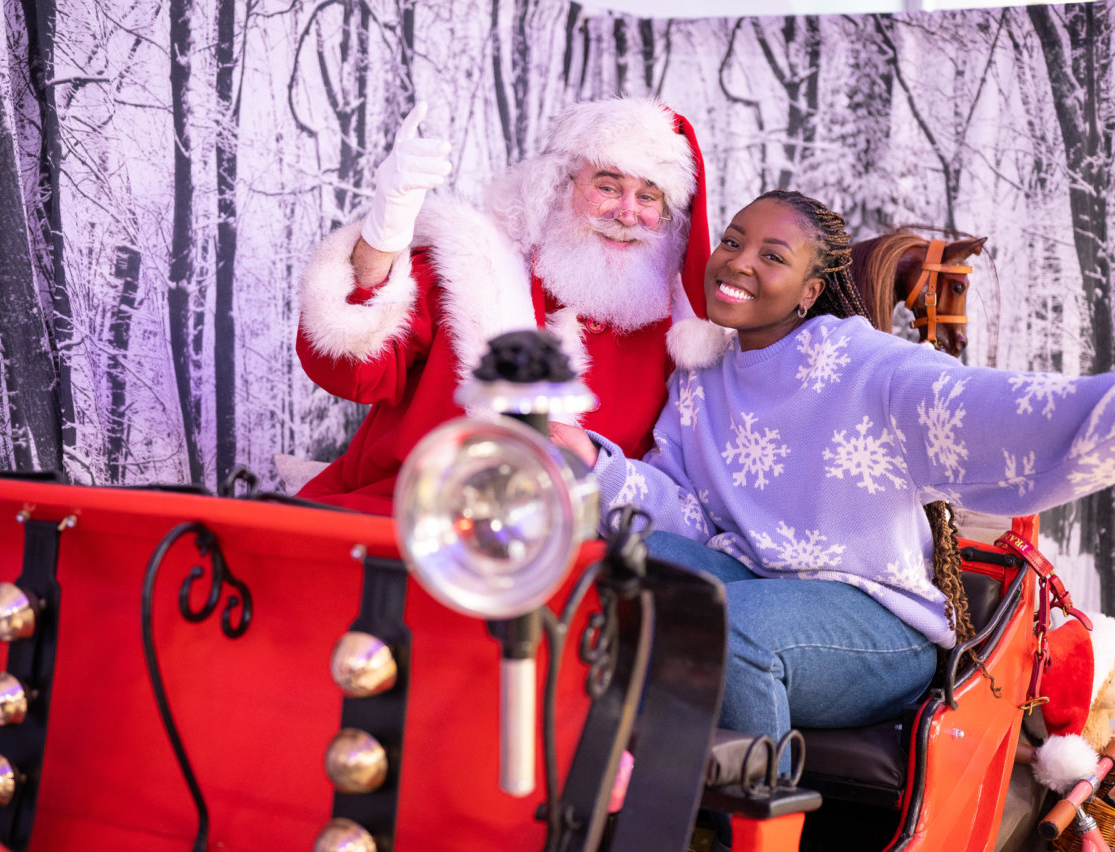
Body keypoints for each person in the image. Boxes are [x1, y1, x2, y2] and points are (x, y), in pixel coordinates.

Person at [552, 188, 1115, 769]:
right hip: (754, 579)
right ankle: (594, 782)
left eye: (773, 256)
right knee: (614, 563)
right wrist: (593, 464)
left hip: (873, 622)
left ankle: (754, 813)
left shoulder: (869, 367)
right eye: (732, 242)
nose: (739, 262)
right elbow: (684, 514)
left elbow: (1001, 413)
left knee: (728, 628)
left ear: (810, 290)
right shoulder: (700, 378)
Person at [295, 98, 728, 515]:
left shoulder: (675, 328)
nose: (628, 214)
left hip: (570, 544)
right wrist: (382, 236)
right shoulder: (468, 265)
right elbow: (350, 369)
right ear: (557, 188)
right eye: (608, 187)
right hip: (410, 515)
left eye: (649, 197)